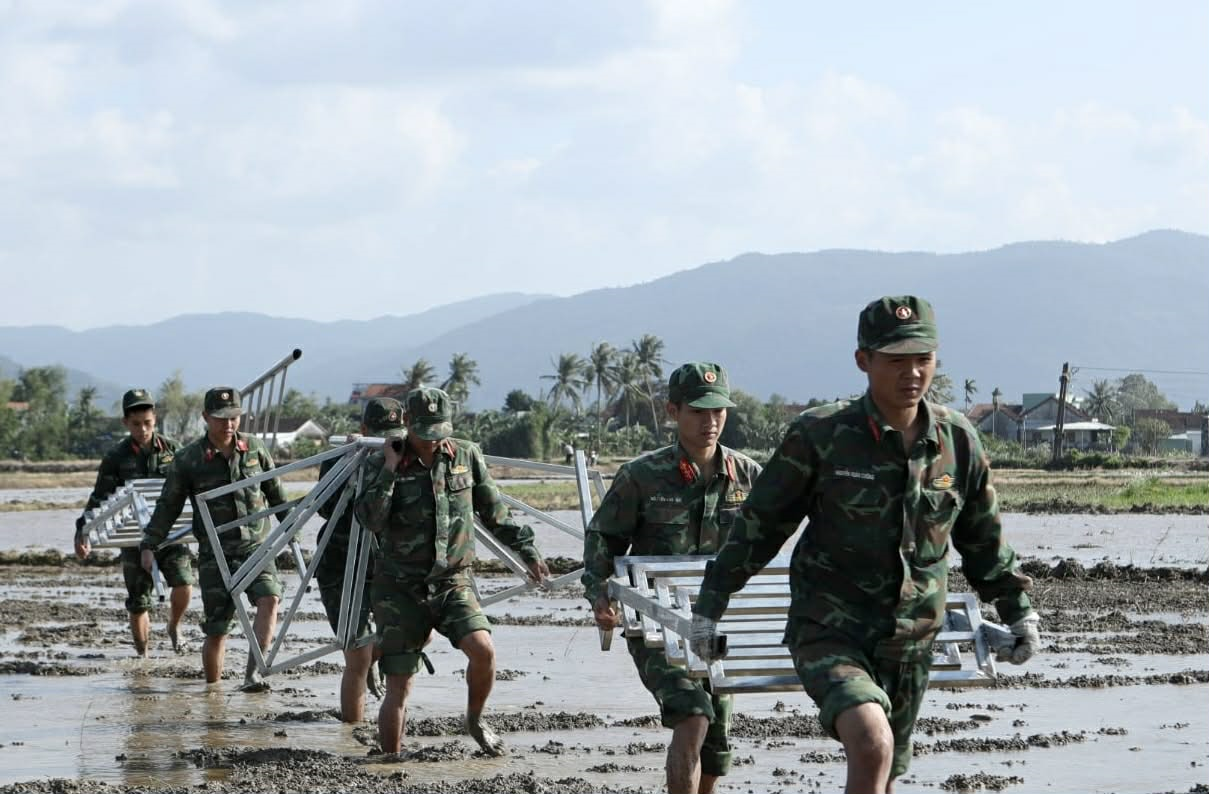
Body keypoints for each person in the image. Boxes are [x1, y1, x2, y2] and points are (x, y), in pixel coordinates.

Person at [689, 296, 1040, 794]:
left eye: (923, 359)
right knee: (872, 743)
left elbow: (983, 540)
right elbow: (760, 528)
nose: (913, 373)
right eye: (896, 360)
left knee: (886, 770)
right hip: (831, 629)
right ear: (864, 361)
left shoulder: (958, 442)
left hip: (911, 638)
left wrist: (1018, 610)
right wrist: (709, 607)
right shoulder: (822, 435)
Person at [583, 362, 762, 794]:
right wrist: (600, 596)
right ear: (673, 412)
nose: (711, 421)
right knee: (692, 713)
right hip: (656, 624)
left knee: (717, 741)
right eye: (699, 411)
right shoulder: (642, 477)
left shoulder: (748, 476)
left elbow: (775, 536)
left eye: (718, 411)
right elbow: (603, 539)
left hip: (717, 623)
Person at [355, 386, 550, 756]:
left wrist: (526, 549)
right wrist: (390, 471)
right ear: (407, 422)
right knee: (400, 685)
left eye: (437, 432)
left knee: (483, 651)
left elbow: (495, 511)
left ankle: (474, 719)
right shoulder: (382, 462)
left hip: (452, 582)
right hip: (399, 588)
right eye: (423, 432)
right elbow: (369, 519)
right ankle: (391, 760)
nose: (431, 442)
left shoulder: (465, 455)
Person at [140, 387, 286, 691]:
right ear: (206, 417)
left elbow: (276, 496)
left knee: (270, 598)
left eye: (233, 417)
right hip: (215, 555)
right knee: (218, 629)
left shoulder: (255, 449)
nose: (228, 424)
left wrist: (293, 533)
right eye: (220, 418)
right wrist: (150, 544)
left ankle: (253, 674)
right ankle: (213, 695)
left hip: (255, 549)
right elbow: (168, 506)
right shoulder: (189, 459)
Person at [75, 388, 194, 657]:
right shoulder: (116, 458)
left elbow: (193, 487)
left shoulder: (174, 451)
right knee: (139, 602)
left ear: (156, 419)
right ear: (125, 423)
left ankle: (174, 626)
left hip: (171, 532)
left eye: (148, 423)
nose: (143, 429)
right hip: (133, 536)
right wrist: (82, 532)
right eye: (136, 424)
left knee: (184, 582)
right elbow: (100, 498)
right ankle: (143, 658)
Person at [314, 397, 406, 722]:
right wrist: (348, 463)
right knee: (357, 653)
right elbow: (323, 507)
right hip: (340, 566)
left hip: (384, 564)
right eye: (378, 434)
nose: (384, 442)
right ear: (364, 430)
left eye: (392, 433)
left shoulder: (405, 459)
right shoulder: (342, 457)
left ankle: (371, 667)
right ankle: (353, 732)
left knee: (404, 637)